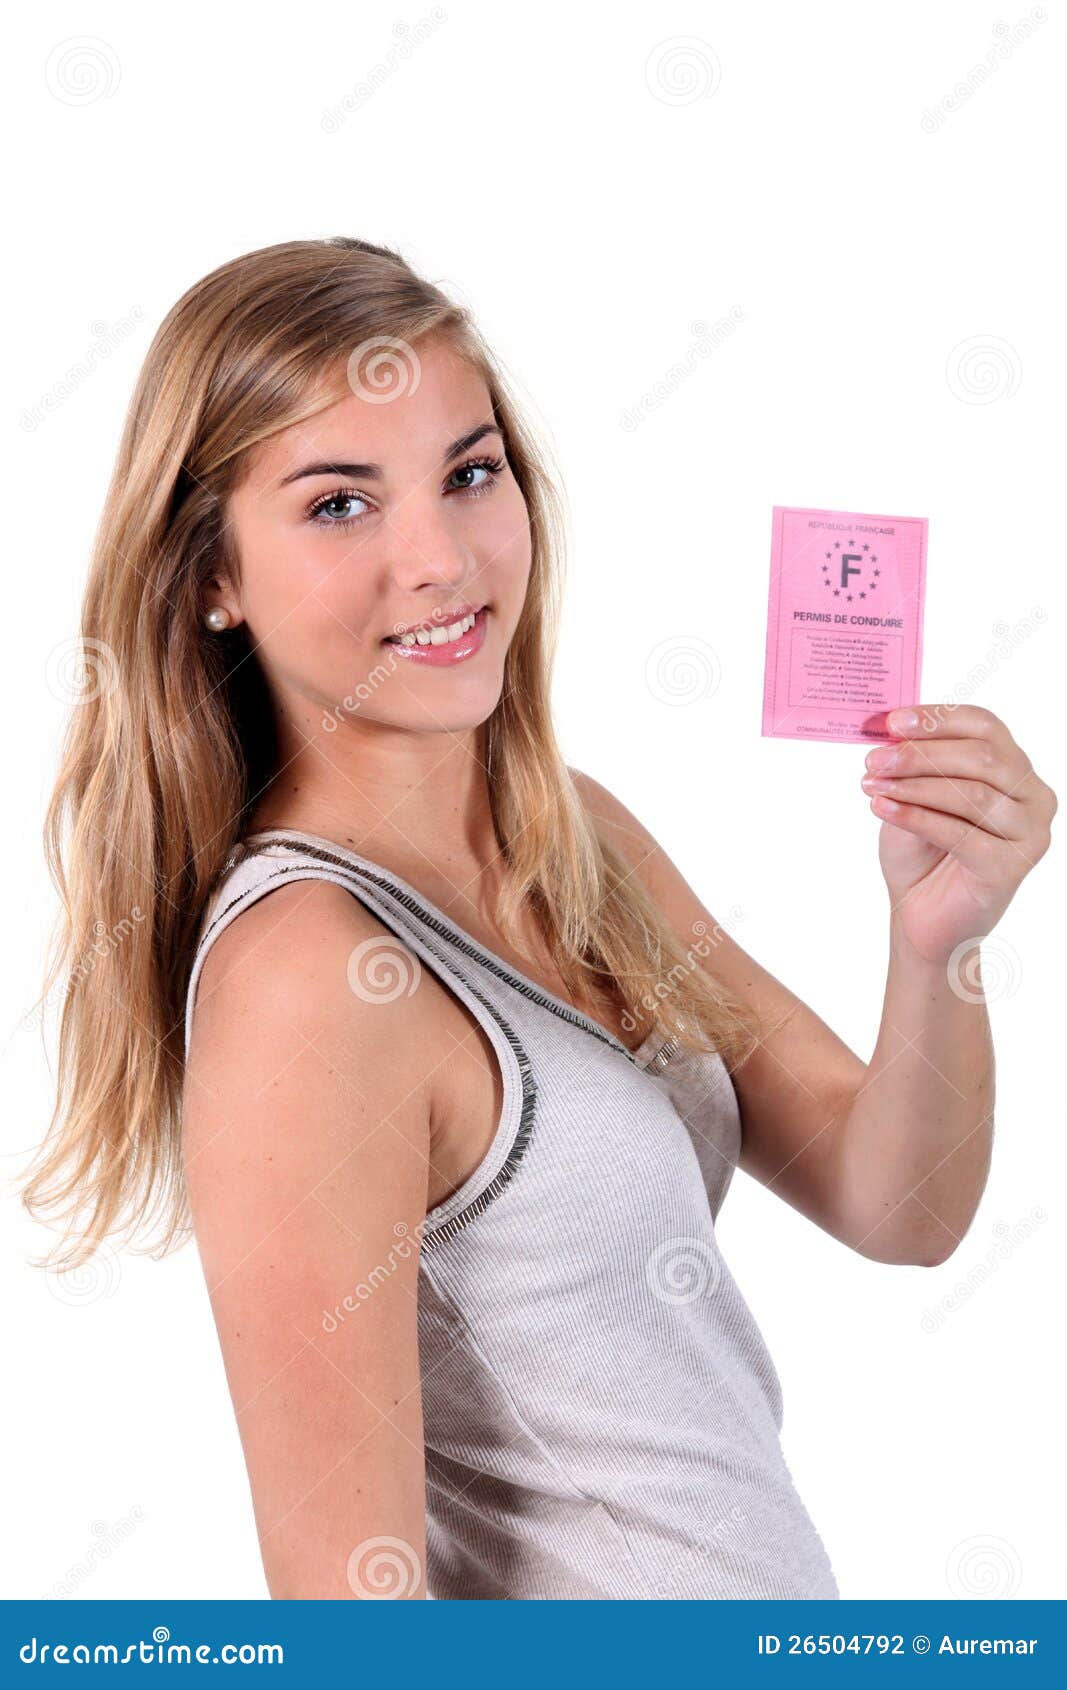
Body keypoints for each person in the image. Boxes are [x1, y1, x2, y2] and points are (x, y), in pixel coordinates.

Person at [21, 237, 1057, 1601]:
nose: (441, 558)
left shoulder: (574, 830)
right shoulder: (311, 978)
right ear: (211, 578)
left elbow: (899, 1201)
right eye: (340, 506)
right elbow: (351, 1610)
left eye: (469, 471)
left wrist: (941, 944)